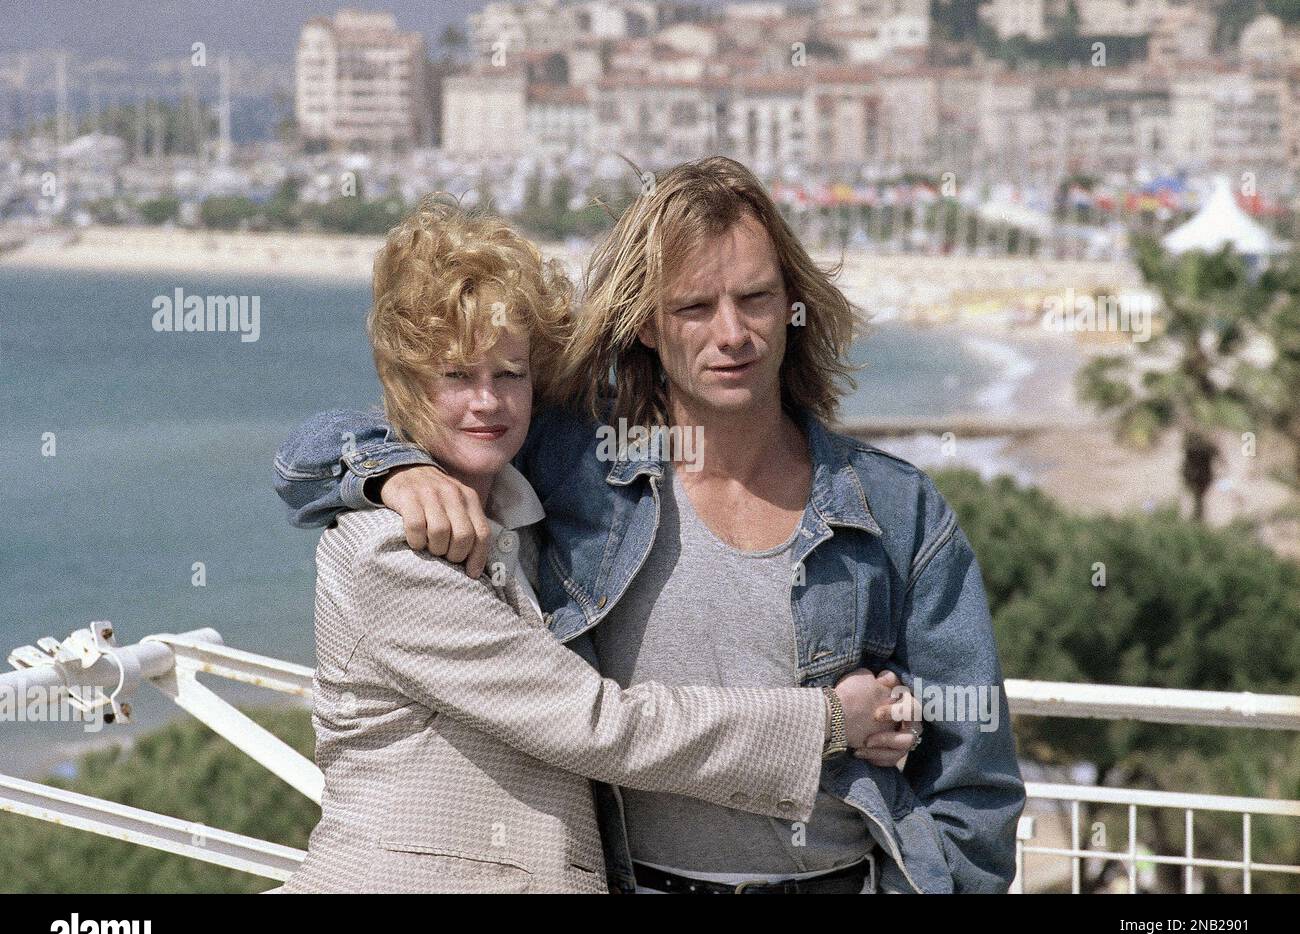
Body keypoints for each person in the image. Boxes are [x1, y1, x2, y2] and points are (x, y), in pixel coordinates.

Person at [277, 159, 1026, 893]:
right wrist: (392, 467)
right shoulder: (578, 464)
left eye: (756, 298)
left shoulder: (897, 509)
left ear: (792, 305)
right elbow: (337, 441)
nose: (731, 334)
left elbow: (975, 787)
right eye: (694, 308)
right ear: (642, 323)